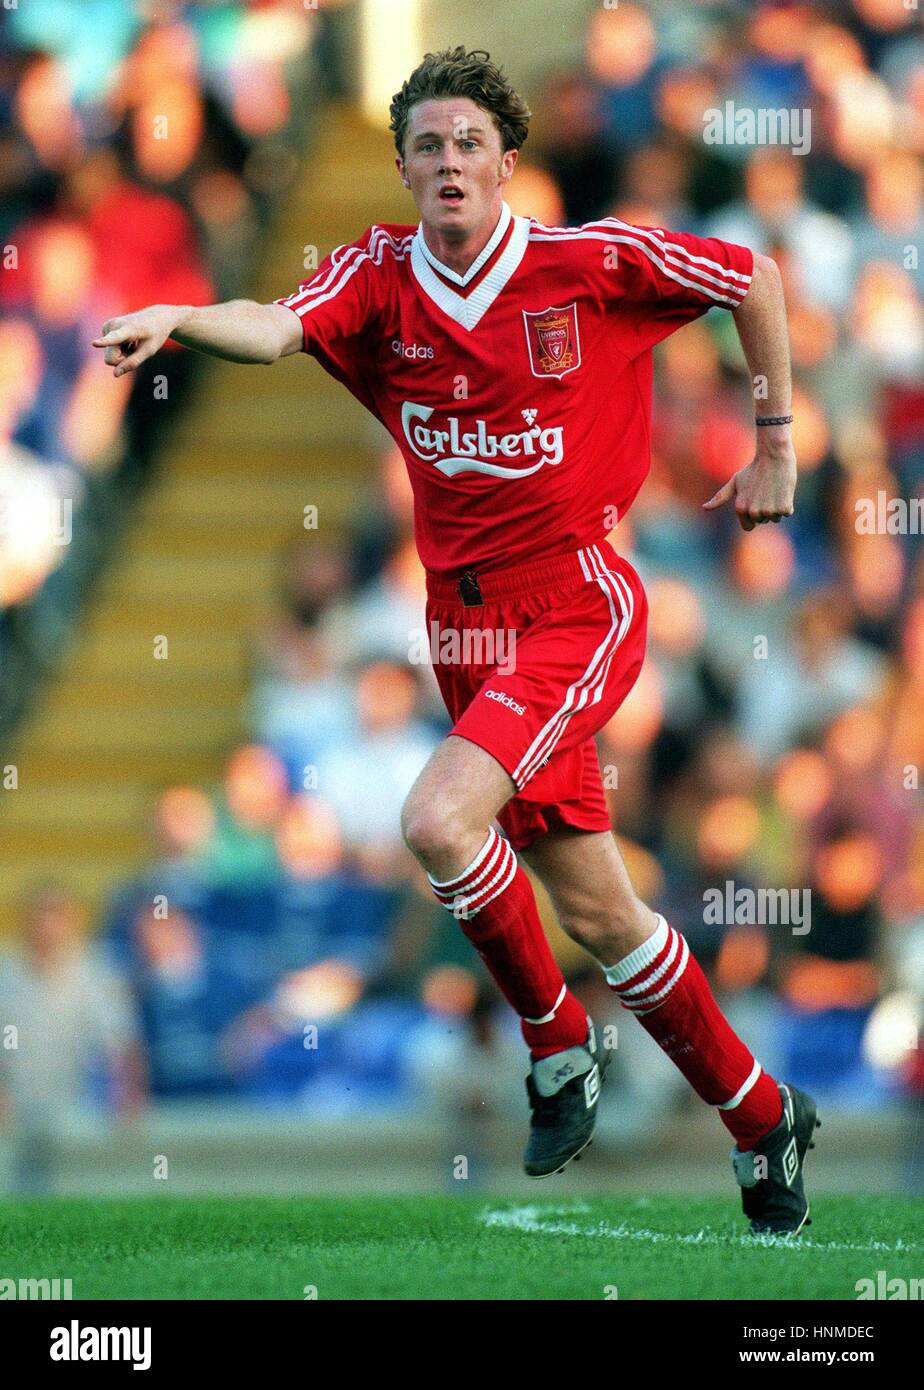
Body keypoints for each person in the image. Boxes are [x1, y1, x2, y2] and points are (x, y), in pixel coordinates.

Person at [92, 47, 816, 1234]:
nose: (448, 164)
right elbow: (274, 328)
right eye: (426, 146)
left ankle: (557, 1045)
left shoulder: (589, 262)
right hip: (459, 619)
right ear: (401, 167)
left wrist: (776, 440)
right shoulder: (380, 275)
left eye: (468, 143)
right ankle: (760, 1115)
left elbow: (755, 277)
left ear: (507, 162)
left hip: (578, 596)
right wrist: (177, 315)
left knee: (436, 821)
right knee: (598, 910)